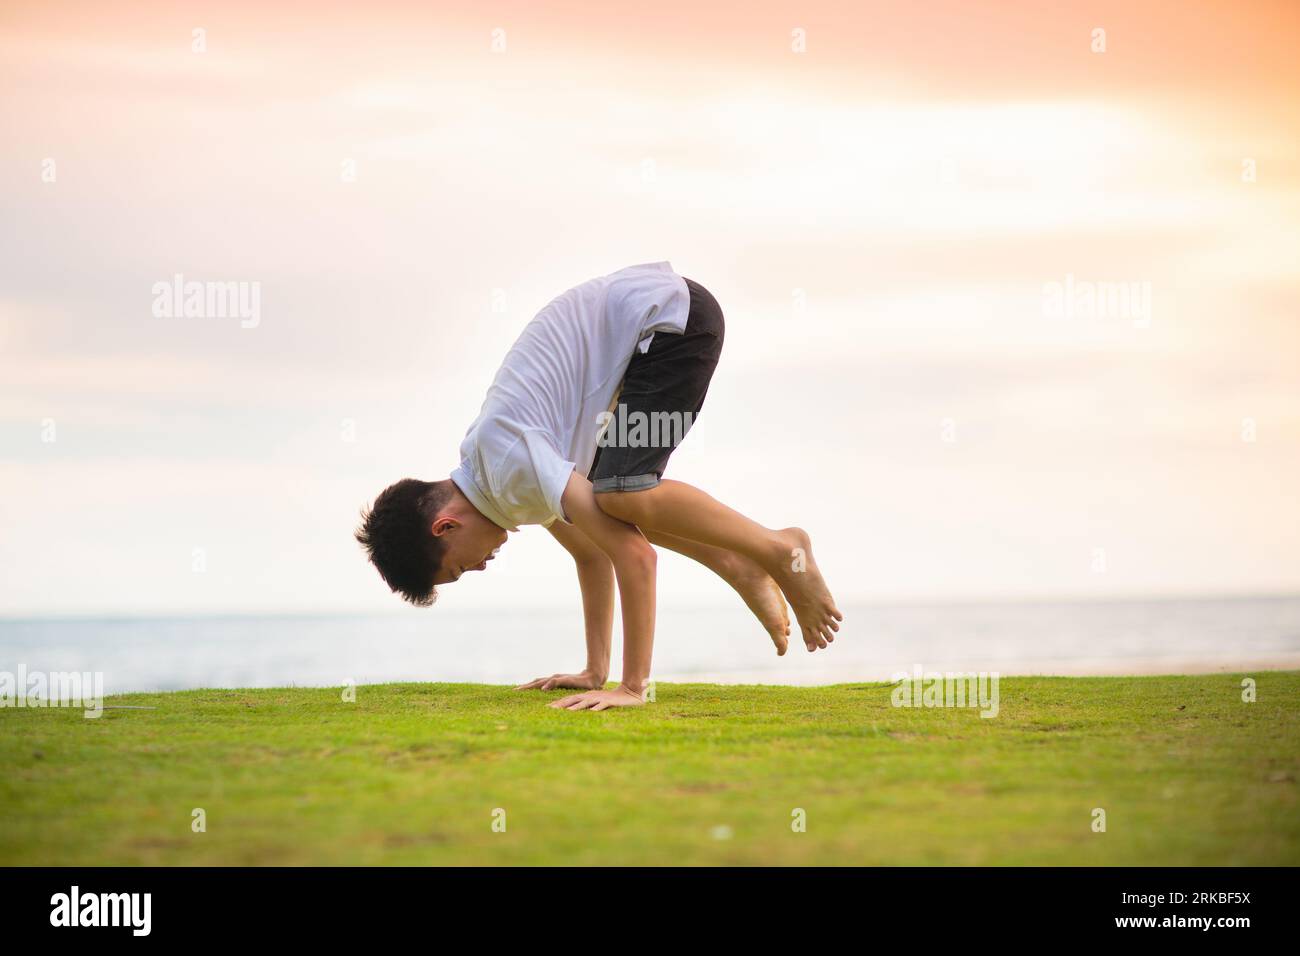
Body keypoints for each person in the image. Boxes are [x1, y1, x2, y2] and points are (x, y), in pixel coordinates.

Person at [355, 262, 841, 711]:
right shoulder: (499, 482)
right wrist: (595, 672)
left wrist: (631, 688)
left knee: (622, 492)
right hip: (652, 334)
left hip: (670, 324)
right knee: (613, 500)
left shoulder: (508, 464)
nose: (481, 566)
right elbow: (592, 553)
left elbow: (636, 556)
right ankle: (739, 561)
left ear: (444, 526)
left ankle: (779, 547)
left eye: (461, 567)